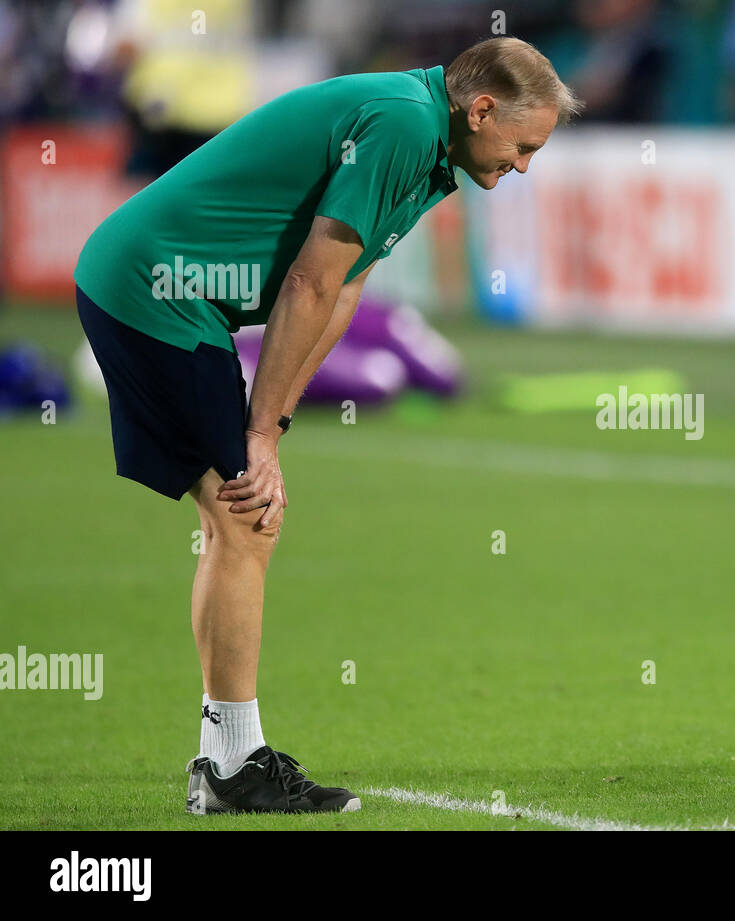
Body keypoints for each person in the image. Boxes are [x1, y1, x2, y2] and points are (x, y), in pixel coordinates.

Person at [73, 36, 582, 814]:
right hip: (157, 287)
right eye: (523, 145)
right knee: (247, 517)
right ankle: (231, 766)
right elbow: (310, 280)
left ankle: (226, 761)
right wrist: (261, 440)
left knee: (244, 517)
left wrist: (271, 420)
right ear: (480, 109)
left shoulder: (434, 143)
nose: (523, 165)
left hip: (173, 289)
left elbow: (343, 289)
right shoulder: (406, 125)